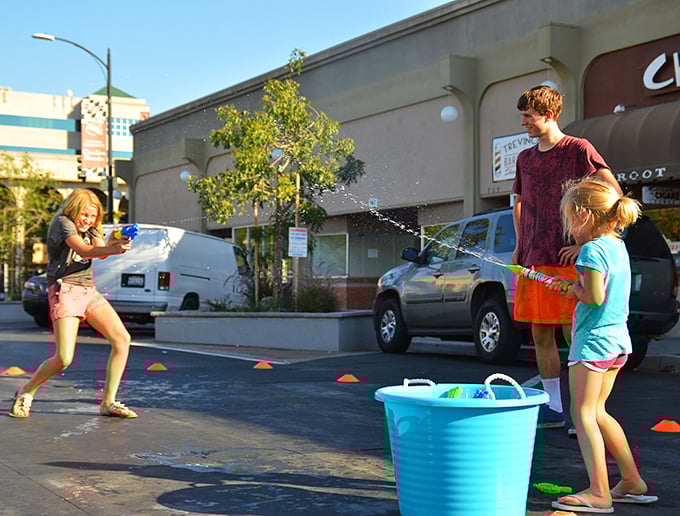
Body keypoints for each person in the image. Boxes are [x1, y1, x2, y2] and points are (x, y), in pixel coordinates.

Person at [512, 85, 622, 429]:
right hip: (534, 256)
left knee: (576, 334)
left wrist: (586, 242)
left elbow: (612, 194)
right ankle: (555, 409)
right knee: (541, 335)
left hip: (568, 260)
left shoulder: (578, 149)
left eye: (529, 116)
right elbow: (518, 201)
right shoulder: (524, 158)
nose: (524, 123)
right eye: (523, 117)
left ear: (549, 115)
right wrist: (519, 244)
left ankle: (582, 414)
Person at [548, 178, 657, 513]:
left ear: (582, 213)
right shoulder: (615, 246)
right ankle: (632, 482)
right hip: (617, 342)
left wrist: (571, 290)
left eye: (568, 218)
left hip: (594, 343)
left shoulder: (592, 250)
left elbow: (594, 296)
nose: (569, 228)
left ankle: (598, 492)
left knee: (582, 414)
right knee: (598, 412)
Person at [9, 189, 138, 419]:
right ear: (74, 209)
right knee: (63, 359)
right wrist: (113, 248)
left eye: (92, 217)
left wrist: (114, 242)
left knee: (122, 339)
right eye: (84, 215)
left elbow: (99, 252)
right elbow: (84, 249)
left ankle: (108, 403)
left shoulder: (91, 226)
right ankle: (26, 391)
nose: (87, 220)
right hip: (64, 289)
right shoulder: (63, 222)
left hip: (88, 290)